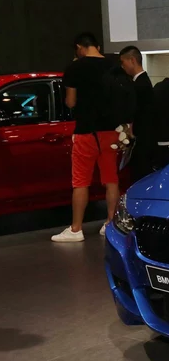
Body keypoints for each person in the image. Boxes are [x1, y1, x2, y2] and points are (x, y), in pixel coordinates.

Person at [52, 32, 119, 242]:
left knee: (80, 181)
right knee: (111, 179)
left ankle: (76, 229)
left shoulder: (75, 68)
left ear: (79, 47)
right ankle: (110, 223)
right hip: (112, 131)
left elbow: (71, 102)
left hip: (86, 131)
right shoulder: (114, 66)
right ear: (97, 46)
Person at [118, 46, 155, 183]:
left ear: (132, 60)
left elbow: (137, 112)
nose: (122, 66)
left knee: (140, 177)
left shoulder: (140, 84)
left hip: (142, 140)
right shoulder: (143, 82)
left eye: (123, 62)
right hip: (144, 139)